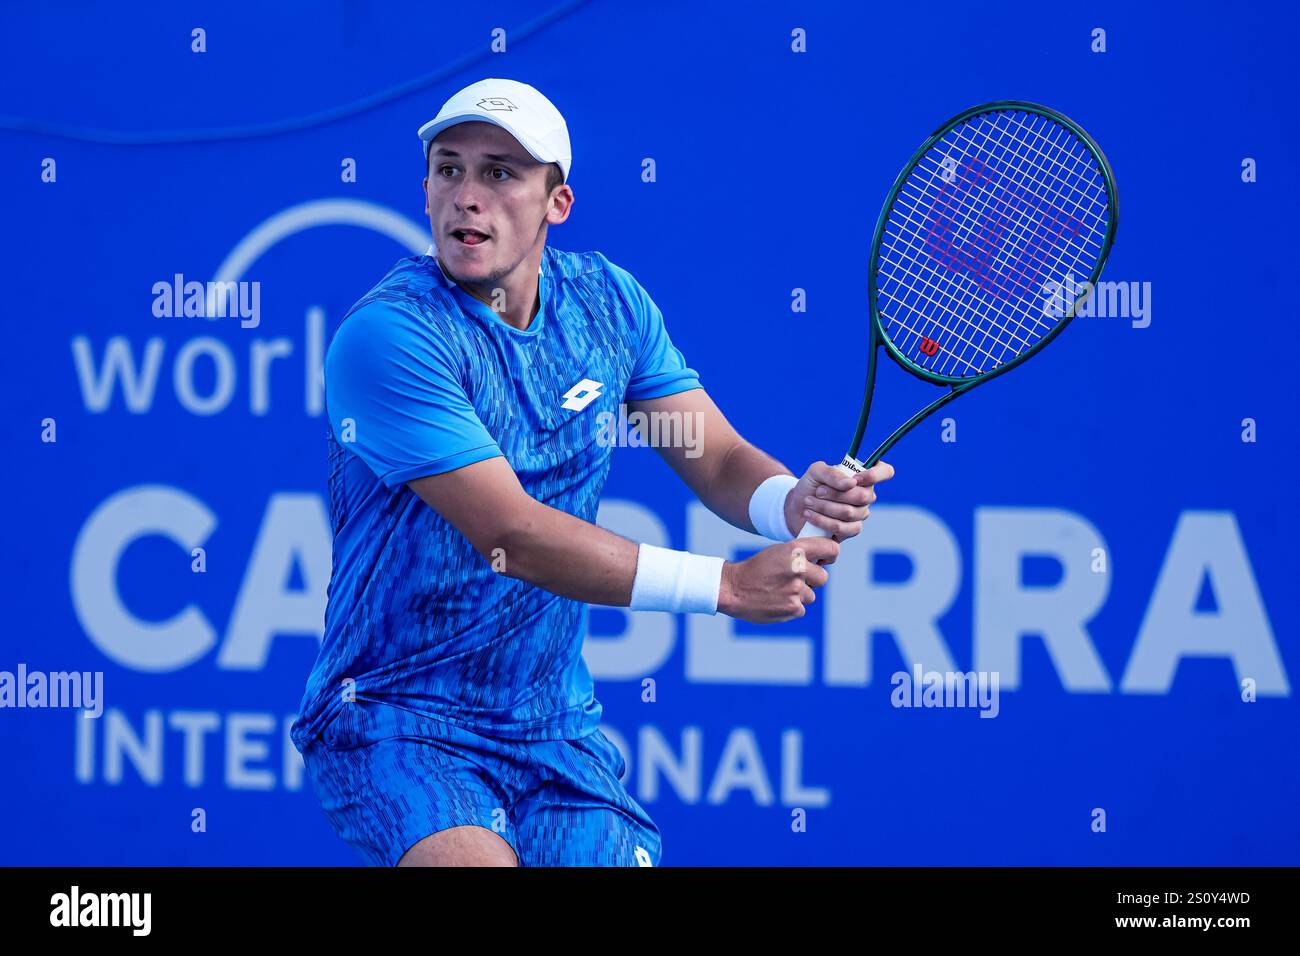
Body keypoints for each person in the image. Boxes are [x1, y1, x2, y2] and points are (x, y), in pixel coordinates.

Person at [289, 77, 894, 867]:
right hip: (395, 716)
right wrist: (727, 587)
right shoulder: (389, 338)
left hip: (551, 726)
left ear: (557, 203)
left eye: (501, 173)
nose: (468, 196)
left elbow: (711, 455)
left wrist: (790, 501)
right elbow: (513, 534)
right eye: (450, 169)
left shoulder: (610, 305)